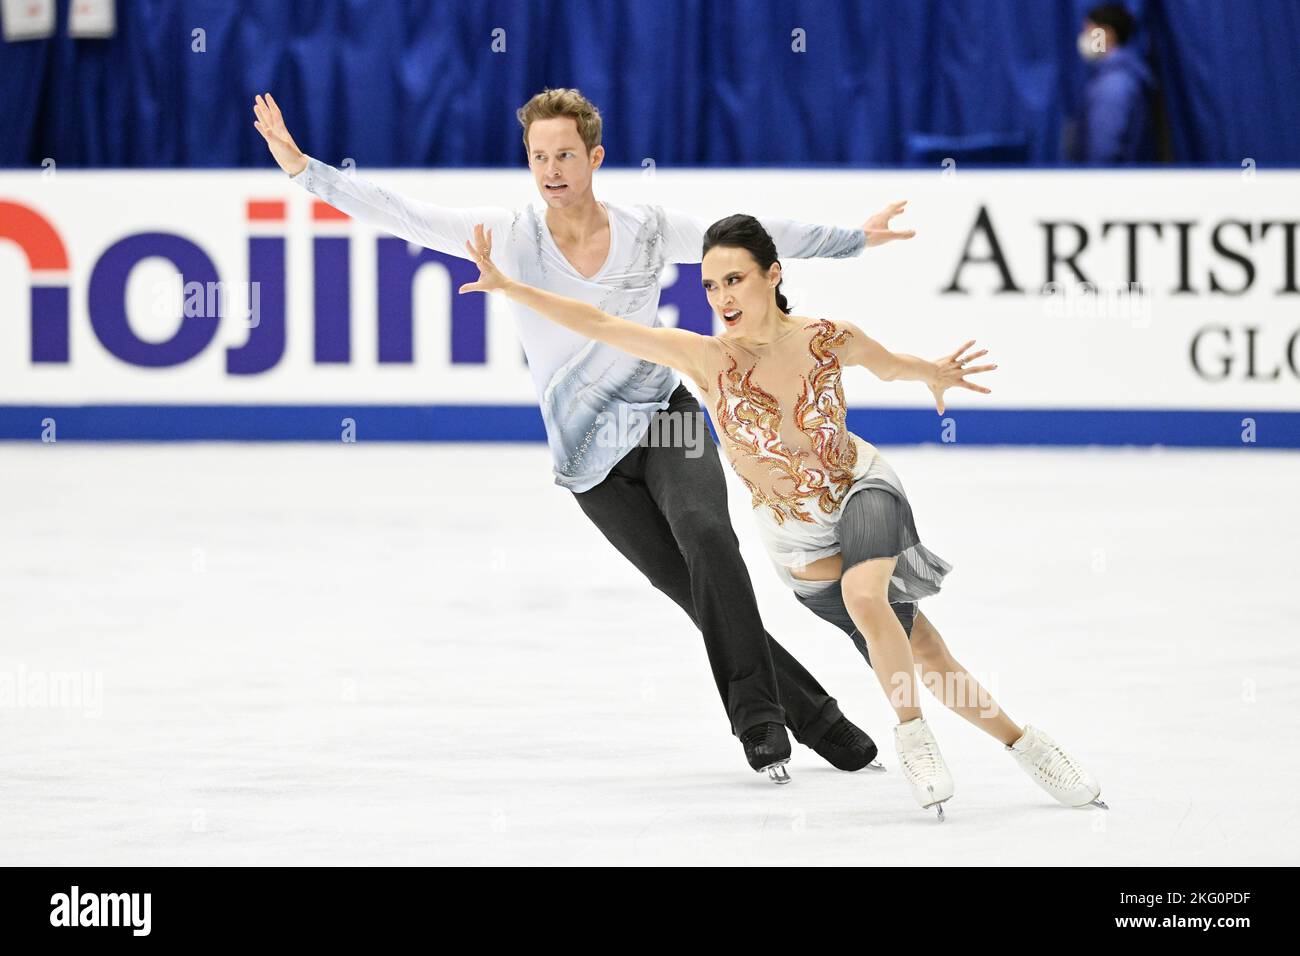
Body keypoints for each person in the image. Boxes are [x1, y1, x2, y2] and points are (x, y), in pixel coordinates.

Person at [252, 87, 919, 781]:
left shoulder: (647, 228)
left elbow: (754, 236)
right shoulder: (508, 235)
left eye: (565, 153)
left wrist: (856, 240)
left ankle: (760, 724)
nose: (551, 168)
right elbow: (403, 216)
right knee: (696, 594)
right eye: (539, 156)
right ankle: (825, 724)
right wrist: (304, 170)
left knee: (709, 537)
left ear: (594, 157)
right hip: (589, 464)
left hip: (667, 420)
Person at [457, 214, 1108, 820]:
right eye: (710, 284)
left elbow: (888, 366)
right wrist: (512, 287)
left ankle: (911, 733)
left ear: (774, 274)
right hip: (795, 540)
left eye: (734, 278)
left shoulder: (829, 338)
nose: (721, 297)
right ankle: (1023, 742)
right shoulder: (706, 360)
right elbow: (599, 325)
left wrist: (932, 372)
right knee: (925, 648)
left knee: (865, 595)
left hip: (861, 486)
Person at [1069, 3, 1156, 164]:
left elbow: (1104, 148)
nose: (1084, 37)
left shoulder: (1114, 83)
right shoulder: (1117, 75)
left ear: (1107, 34)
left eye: (1089, 31)